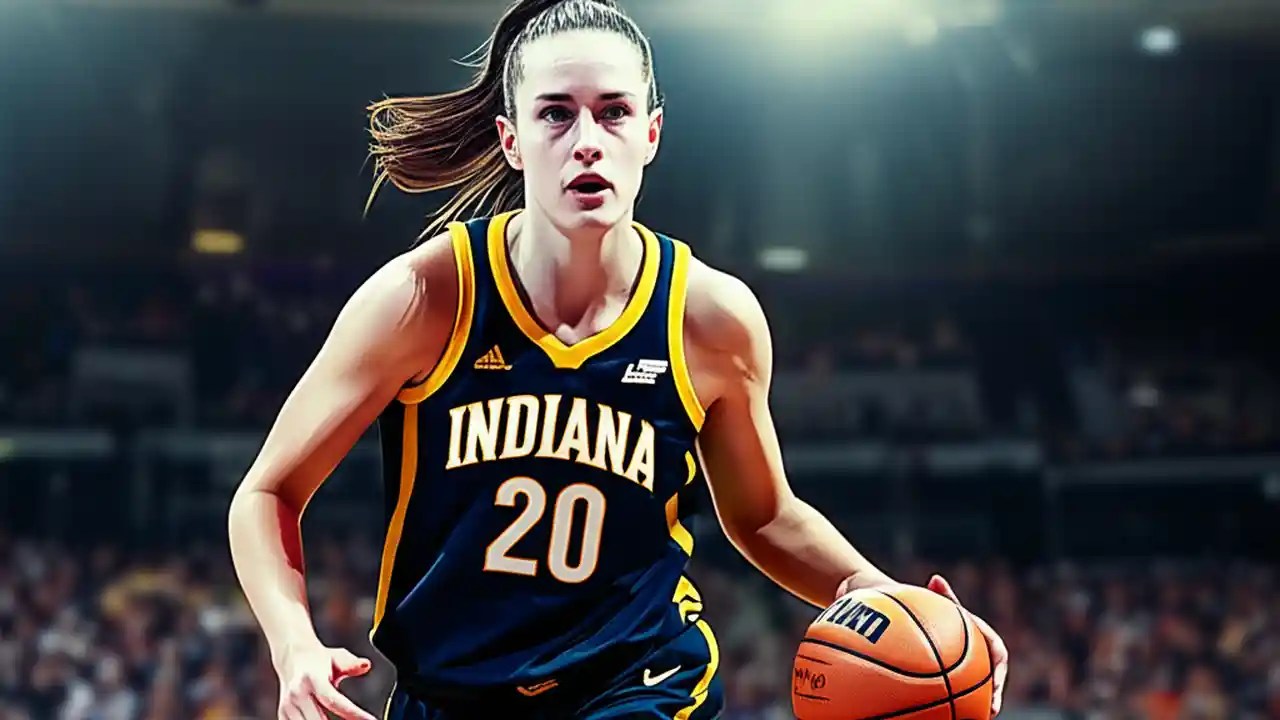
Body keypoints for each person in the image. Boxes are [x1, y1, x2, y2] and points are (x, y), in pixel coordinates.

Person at [227, 1, 1009, 719]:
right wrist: (292, 645)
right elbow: (267, 493)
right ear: (512, 139)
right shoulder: (425, 297)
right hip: (451, 691)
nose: (587, 141)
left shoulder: (710, 318)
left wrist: (875, 591)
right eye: (556, 115)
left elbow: (763, 514)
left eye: (613, 112)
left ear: (652, 133)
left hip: (639, 684)